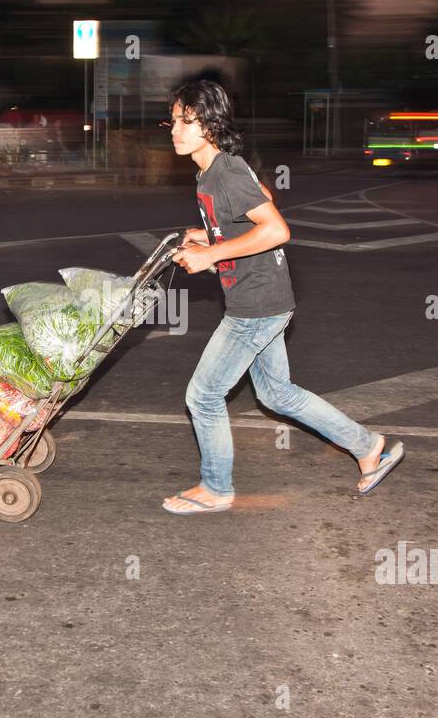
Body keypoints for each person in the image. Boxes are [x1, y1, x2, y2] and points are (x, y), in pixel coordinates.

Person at [161, 79, 404, 514]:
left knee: (203, 395)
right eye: (174, 120)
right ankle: (371, 448)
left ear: (210, 126)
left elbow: (276, 229)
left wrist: (211, 253)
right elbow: (262, 199)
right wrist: (213, 234)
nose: (175, 130)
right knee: (277, 395)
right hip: (266, 298)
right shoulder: (216, 170)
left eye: (186, 121)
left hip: (255, 305)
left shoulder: (225, 173)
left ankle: (216, 489)